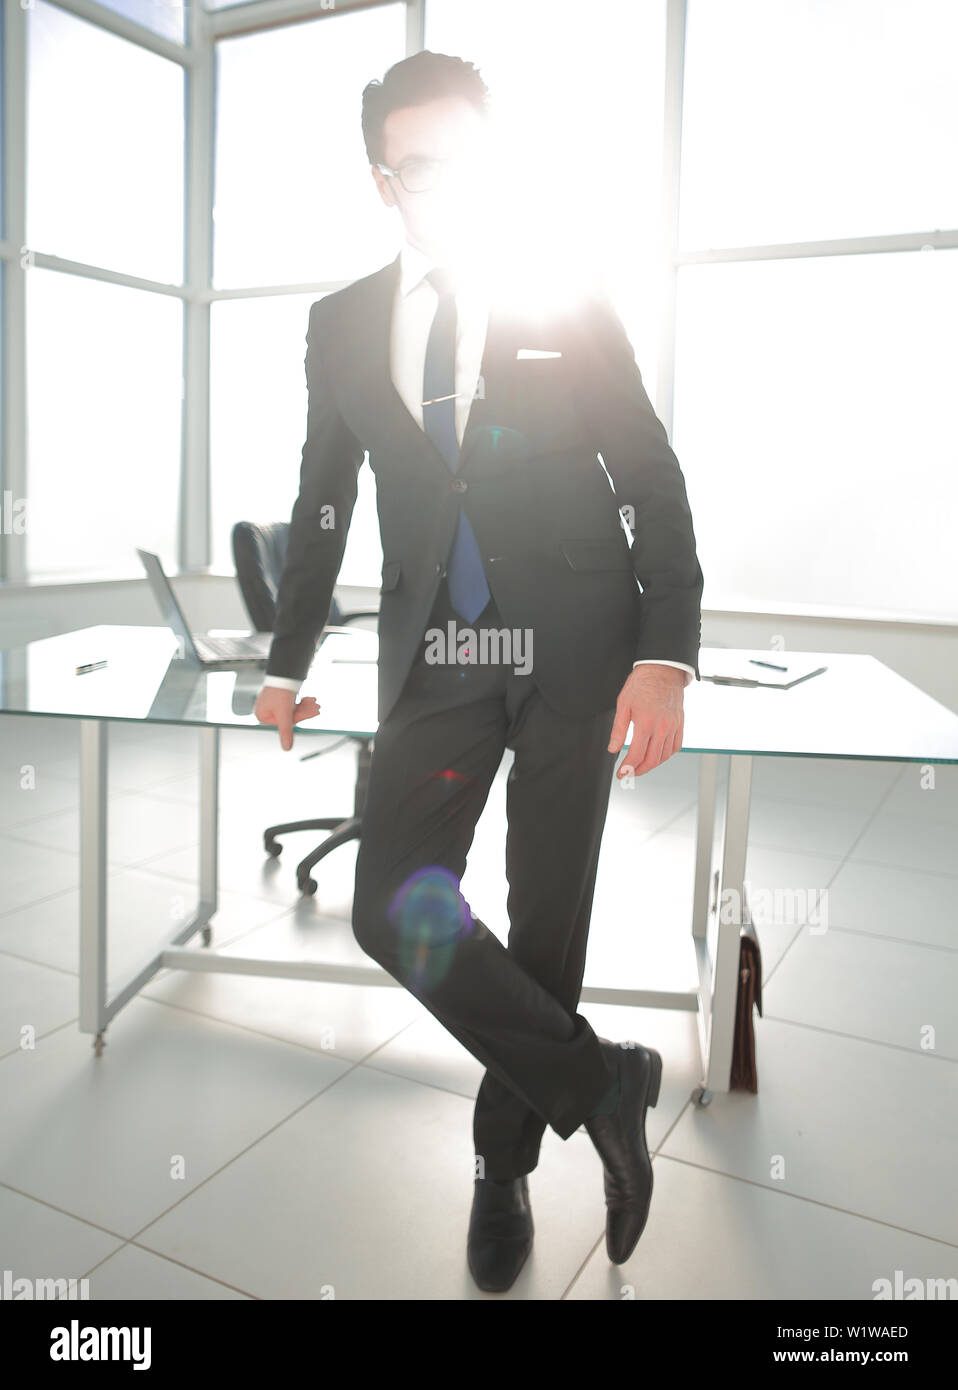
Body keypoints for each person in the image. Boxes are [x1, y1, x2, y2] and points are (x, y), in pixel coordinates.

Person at [254, 50, 704, 1294]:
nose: (444, 181)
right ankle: (598, 1080)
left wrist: (664, 656)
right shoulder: (341, 322)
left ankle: (499, 1168)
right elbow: (323, 500)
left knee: (545, 919)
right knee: (392, 898)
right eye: (418, 162)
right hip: (438, 652)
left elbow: (646, 469)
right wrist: (287, 657)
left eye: (466, 156)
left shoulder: (558, 285)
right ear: (382, 181)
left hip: (578, 641)